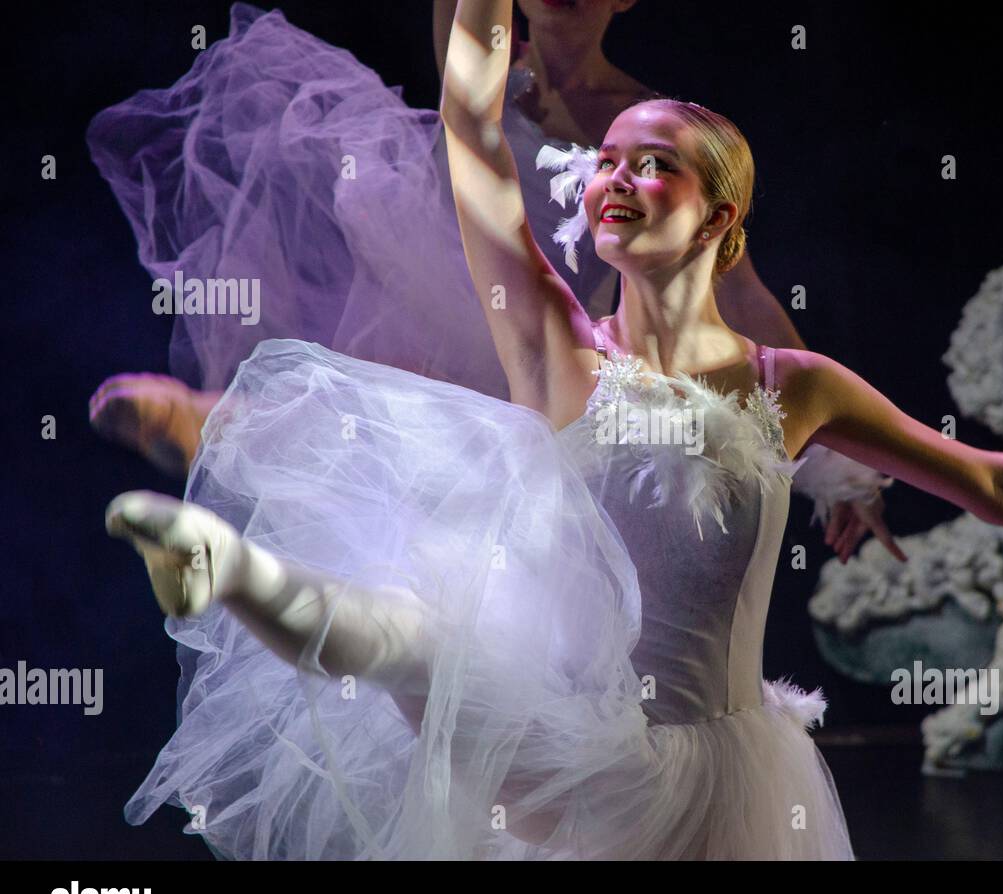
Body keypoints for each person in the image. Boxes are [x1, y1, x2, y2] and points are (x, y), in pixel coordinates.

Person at [105, 0, 1003, 860]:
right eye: (609, 165)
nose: (616, 178)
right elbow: (472, 138)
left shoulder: (796, 386)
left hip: (727, 773)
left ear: (722, 216)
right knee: (416, 646)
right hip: (572, 735)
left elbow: (993, 483)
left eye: (656, 163)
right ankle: (228, 569)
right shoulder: (560, 349)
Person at [87, 0, 897, 563]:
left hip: (560, 346)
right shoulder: (490, 65)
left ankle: (228, 434)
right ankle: (221, 424)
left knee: (490, 489)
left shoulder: (649, 121)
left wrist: (839, 468)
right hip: (443, 283)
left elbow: (741, 288)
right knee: (397, 411)